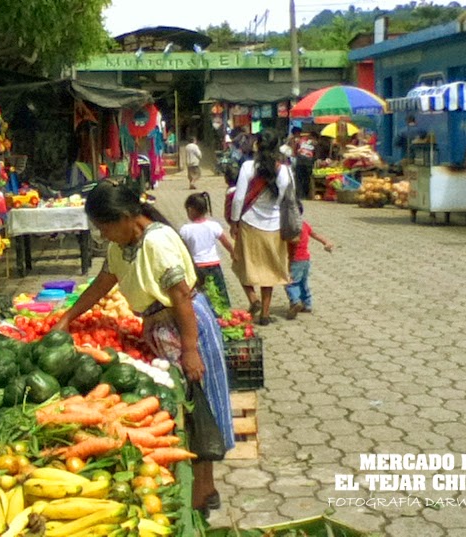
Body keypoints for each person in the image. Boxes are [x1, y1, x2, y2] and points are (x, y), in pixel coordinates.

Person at [52, 182, 234, 516]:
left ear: (124, 217)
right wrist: (67, 317)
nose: (103, 235)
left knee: (198, 408)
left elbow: (180, 296)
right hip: (163, 328)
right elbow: (103, 282)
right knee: (187, 409)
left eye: (105, 227)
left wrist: (191, 350)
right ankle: (206, 490)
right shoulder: (123, 245)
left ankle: (202, 494)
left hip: (187, 327)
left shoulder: (157, 242)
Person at [229, 130, 291, 326]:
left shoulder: (248, 167)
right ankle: (265, 314)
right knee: (269, 271)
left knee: (241, 265)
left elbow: (238, 198)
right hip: (274, 226)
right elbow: (286, 199)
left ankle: (252, 299)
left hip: (249, 223)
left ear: (257, 145)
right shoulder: (285, 170)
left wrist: (234, 221)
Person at [180, 192, 235, 310]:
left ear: (190, 209)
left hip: (196, 266)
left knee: (201, 293)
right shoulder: (214, 225)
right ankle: (223, 313)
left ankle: (204, 311)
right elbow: (225, 241)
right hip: (214, 264)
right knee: (219, 291)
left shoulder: (185, 229)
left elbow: (182, 248)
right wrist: (232, 253)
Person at [285, 202, 333, 319]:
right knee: (303, 282)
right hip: (306, 259)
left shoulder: (291, 228)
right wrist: (326, 242)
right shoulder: (305, 224)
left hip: (296, 259)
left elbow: (292, 242)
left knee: (290, 283)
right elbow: (315, 234)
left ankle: (295, 301)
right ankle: (307, 304)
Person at [295, 131, 317, 200]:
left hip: (302, 162)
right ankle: (302, 195)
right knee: (304, 179)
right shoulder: (313, 143)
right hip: (306, 162)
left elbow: (296, 149)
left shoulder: (301, 140)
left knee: (302, 179)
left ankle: (301, 195)